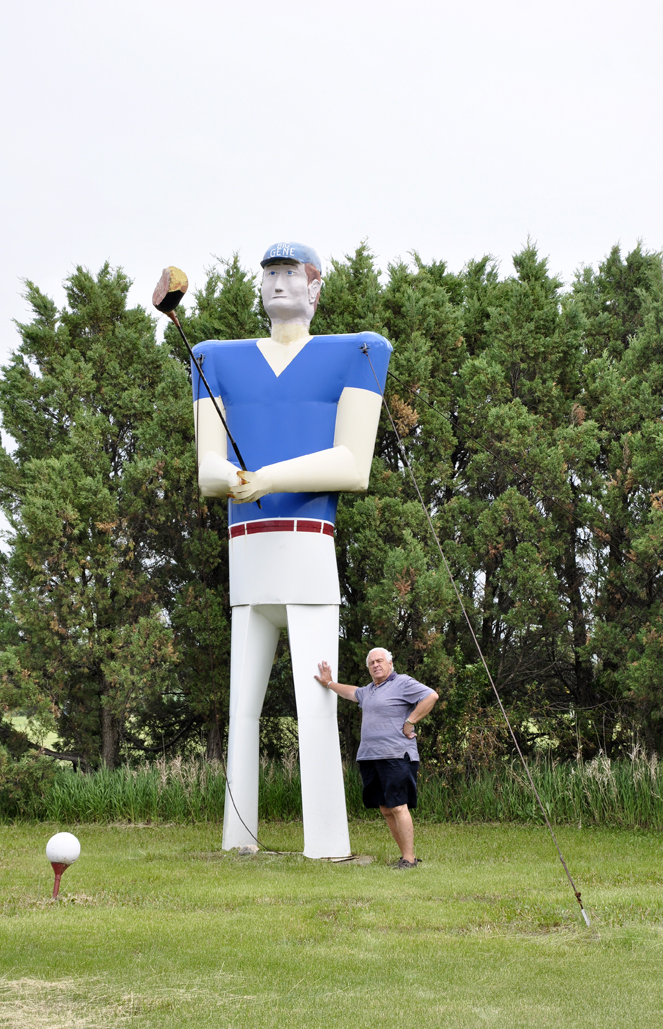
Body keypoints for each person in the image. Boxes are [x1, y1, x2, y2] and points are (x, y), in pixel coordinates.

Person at [191, 242, 392, 858]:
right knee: (242, 708)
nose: (279, 282)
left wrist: (267, 479)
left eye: (290, 273)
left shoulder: (358, 351)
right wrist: (235, 479)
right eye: (270, 273)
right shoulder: (213, 358)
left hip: (309, 550)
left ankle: (326, 843)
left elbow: (353, 465)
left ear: (315, 287)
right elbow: (207, 471)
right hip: (247, 551)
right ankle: (238, 839)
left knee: (316, 703)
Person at [315, 647, 438, 868]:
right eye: (371, 663)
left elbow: (431, 696)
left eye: (380, 661)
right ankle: (405, 856)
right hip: (370, 757)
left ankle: (409, 859)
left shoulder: (402, 682)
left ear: (390, 663)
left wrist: (410, 721)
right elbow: (351, 692)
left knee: (398, 806)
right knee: (386, 808)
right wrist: (329, 683)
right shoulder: (369, 690)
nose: (375, 665)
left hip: (396, 755)